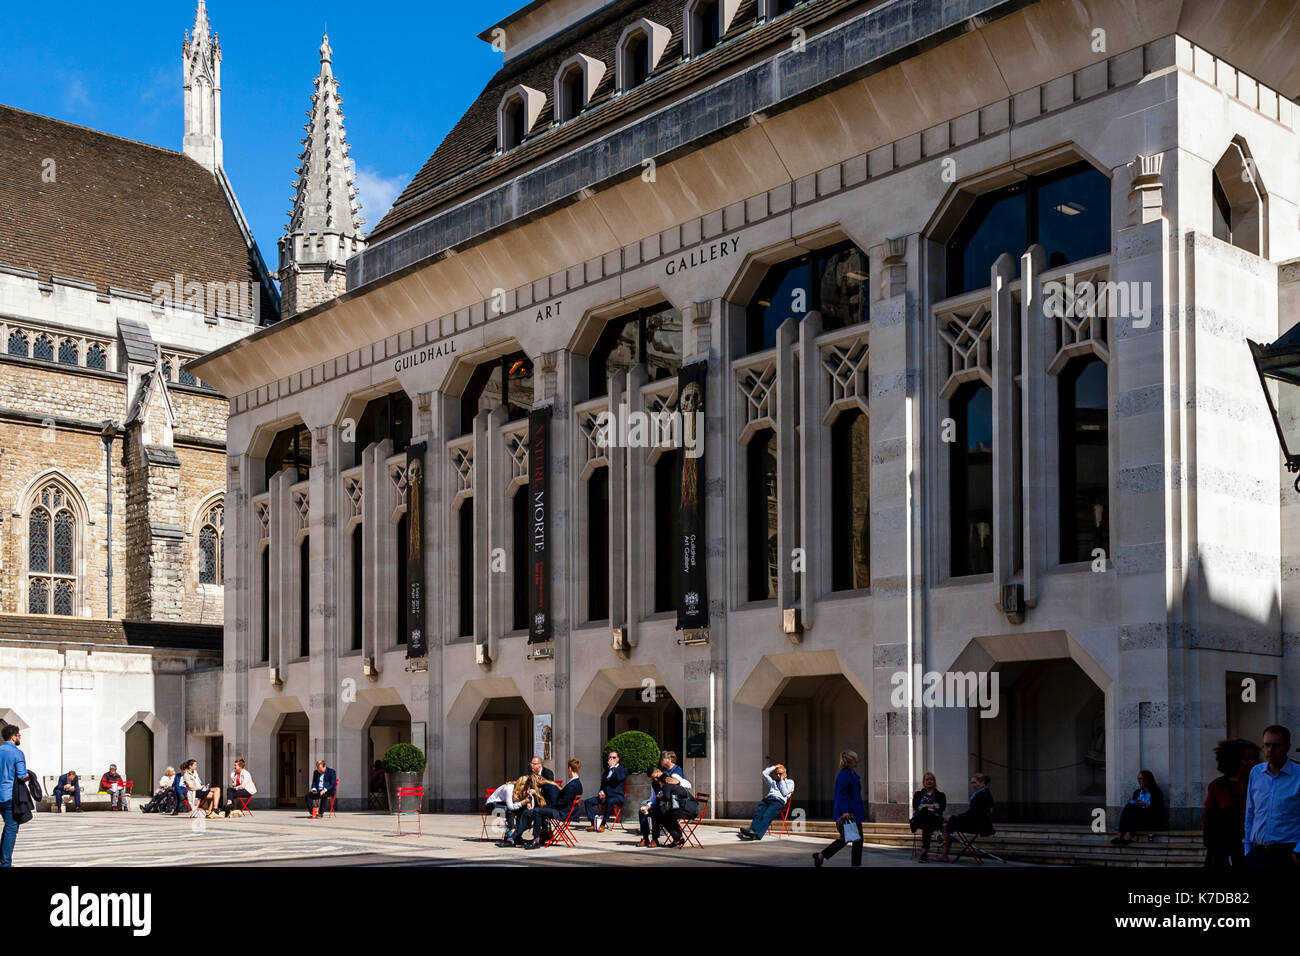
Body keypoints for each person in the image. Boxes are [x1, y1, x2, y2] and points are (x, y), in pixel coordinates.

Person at [1243, 724, 1300, 868]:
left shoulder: (1298, 775)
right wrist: (1247, 848)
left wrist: (1298, 851)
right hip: (1257, 854)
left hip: (1286, 853)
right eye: (1267, 745)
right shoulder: (1256, 773)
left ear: (1287, 747)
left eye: (1276, 745)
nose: (1270, 750)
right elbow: (1251, 813)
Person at [1203, 738, 1259, 867]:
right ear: (1234, 760)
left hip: (1250, 844)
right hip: (1223, 847)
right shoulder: (1218, 785)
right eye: (1247, 759)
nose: (1252, 762)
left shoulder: (1258, 783)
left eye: (1253, 758)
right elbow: (1208, 817)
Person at [506, 758, 582, 848]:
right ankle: (513, 838)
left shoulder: (572, 785)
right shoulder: (575, 783)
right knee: (528, 812)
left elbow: (561, 803)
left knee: (537, 811)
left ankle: (535, 840)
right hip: (564, 810)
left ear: (570, 769)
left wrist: (547, 807)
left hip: (563, 813)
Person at [813, 750, 865, 867]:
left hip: (854, 811)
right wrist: (845, 811)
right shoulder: (844, 775)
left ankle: (820, 856)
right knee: (855, 840)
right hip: (849, 812)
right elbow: (841, 794)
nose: (857, 761)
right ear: (851, 761)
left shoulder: (851, 773)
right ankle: (854, 865)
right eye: (855, 759)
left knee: (849, 839)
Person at [941, 773, 995, 861]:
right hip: (976, 822)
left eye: (974, 783)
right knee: (946, 822)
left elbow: (973, 814)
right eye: (972, 783)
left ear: (982, 782)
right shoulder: (983, 793)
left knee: (945, 825)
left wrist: (954, 817)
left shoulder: (982, 795)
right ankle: (945, 850)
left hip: (976, 825)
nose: (973, 785)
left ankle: (945, 854)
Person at [738, 764, 794, 840]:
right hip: (767, 800)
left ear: (785, 774)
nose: (778, 775)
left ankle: (757, 835)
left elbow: (785, 792)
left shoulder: (790, 782)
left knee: (766, 816)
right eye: (776, 773)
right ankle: (752, 831)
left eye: (780, 774)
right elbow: (764, 773)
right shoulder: (773, 782)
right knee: (758, 814)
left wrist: (781, 780)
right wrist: (774, 767)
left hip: (778, 801)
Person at [0, 725, 28, 867]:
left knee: (8, 826)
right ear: (13, 737)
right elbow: (22, 776)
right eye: (19, 735)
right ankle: (5, 863)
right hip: (9, 795)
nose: (19, 738)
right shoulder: (17, 753)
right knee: (12, 827)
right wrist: (30, 776)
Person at [1112, 770, 1165, 845]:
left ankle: (1129, 835)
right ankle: (1120, 834)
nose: (1139, 781)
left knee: (1135, 807)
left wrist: (1145, 804)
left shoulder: (1156, 792)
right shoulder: (1137, 792)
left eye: (1141, 779)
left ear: (1148, 779)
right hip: (1137, 820)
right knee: (1130, 805)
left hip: (1151, 820)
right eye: (1138, 779)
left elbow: (1158, 811)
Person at [584, 749, 628, 832]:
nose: (611, 759)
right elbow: (602, 786)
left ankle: (603, 825)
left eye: (614, 757)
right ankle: (593, 824)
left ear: (618, 759)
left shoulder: (622, 770)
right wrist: (601, 792)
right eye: (610, 757)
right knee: (588, 801)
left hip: (617, 796)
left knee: (610, 801)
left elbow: (618, 778)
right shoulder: (606, 772)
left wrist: (613, 768)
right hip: (606, 796)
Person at [910, 771, 947, 862]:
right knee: (925, 814)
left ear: (934, 781)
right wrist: (932, 807)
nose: (929, 781)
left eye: (931, 779)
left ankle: (924, 854)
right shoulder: (918, 794)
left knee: (927, 825)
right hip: (919, 819)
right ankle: (936, 834)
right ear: (924, 782)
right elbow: (916, 807)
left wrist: (924, 806)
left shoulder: (940, 795)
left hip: (935, 820)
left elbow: (941, 807)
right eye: (927, 780)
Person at [658, 773, 700, 847]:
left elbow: (666, 798)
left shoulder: (667, 786)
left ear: (662, 782)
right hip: (693, 810)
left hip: (686, 810)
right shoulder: (677, 785)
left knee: (663, 817)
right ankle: (678, 837)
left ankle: (677, 838)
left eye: (659, 783)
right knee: (670, 817)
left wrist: (660, 795)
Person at [637, 768, 667, 847]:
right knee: (642, 812)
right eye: (653, 778)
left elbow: (686, 784)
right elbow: (653, 798)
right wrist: (647, 806)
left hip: (667, 806)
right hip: (657, 804)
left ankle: (655, 839)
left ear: (659, 771)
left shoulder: (667, 778)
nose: (655, 779)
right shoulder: (654, 783)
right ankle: (645, 838)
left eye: (656, 777)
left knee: (655, 812)